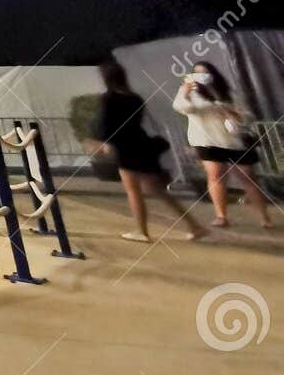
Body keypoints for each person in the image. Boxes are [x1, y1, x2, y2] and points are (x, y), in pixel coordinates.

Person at [89, 60, 205, 243]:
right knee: (157, 190)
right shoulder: (134, 97)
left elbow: (104, 124)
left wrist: (101, 142)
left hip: (124, 148)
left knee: (134, 191)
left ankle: (142, 232)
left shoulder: (108, 98)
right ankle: (194, 226)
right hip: (142, 145)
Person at [173, 61, 275, 230]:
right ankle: (221, 216)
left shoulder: (227, 92)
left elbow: (247, 115)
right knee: (215, 175)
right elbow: (184, 108)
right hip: (205, 139)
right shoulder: (189, 91)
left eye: (205, 72)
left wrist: (233, 113)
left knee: (248, 176)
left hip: (233, 140)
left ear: (213, 74)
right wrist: (185, 93)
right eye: (197, 72)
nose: (202, 76)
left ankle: (265, 217)